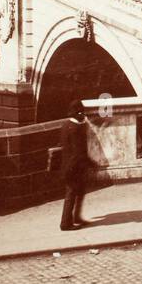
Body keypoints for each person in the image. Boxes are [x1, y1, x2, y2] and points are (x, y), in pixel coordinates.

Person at [59, 99, 92, 231]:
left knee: (79, 191)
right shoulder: (77, 128)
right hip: (75, 167)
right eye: (82, 112)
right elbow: (80, 151)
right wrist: (90, 163)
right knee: (72, 194)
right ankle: (65, 223)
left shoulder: (66, 125)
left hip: (68, 165)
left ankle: (76, 217)